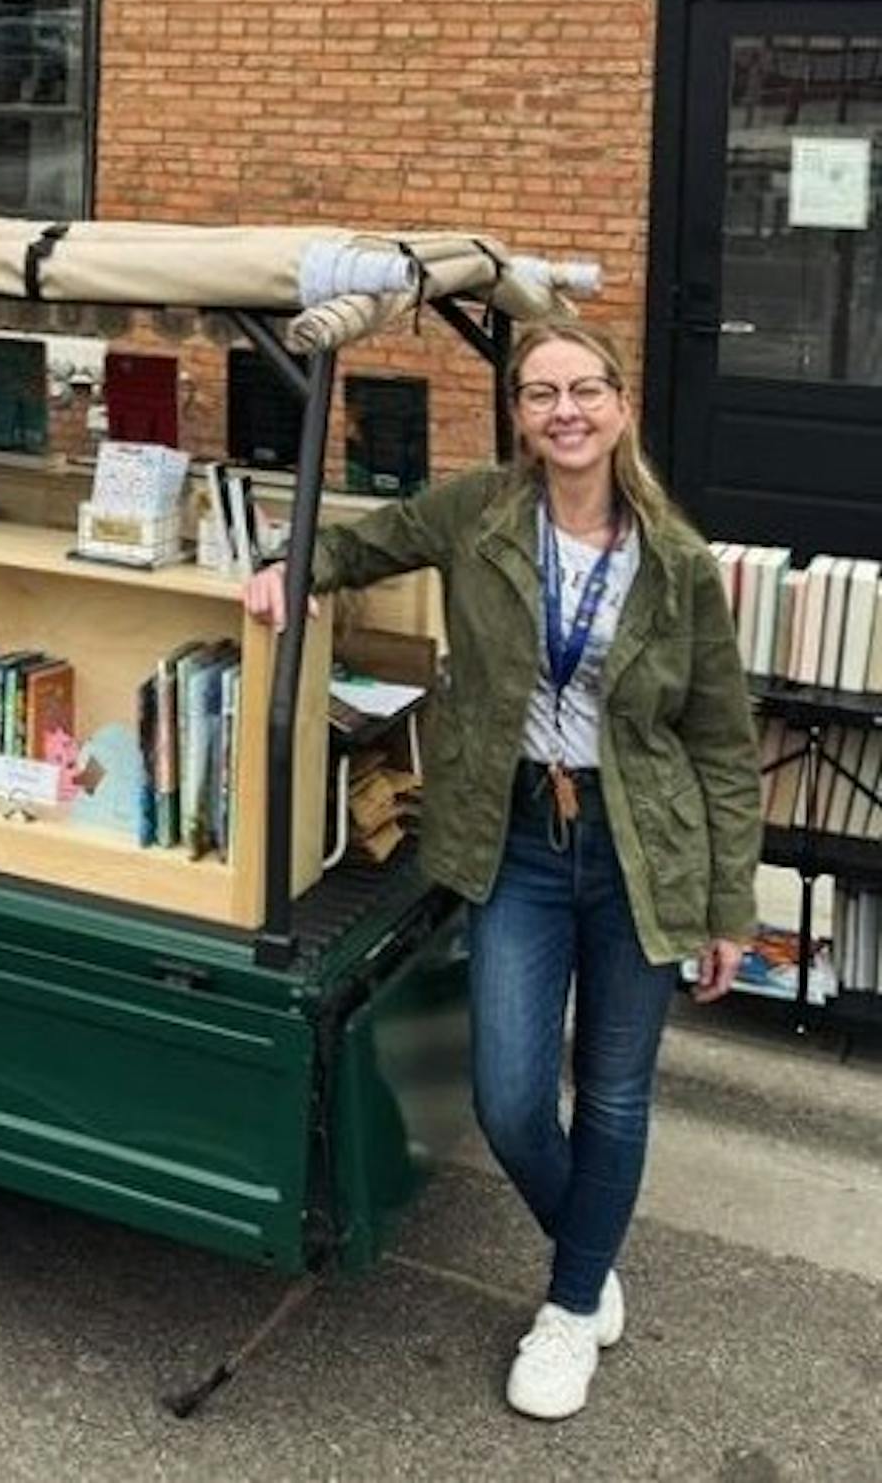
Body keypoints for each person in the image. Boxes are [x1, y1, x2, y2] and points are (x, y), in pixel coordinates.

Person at [244, 319, 761, 1420]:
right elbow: (362, 543)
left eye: (584, 389)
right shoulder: (480, 512)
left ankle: (571, 1307)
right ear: (521, 415)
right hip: (517, 837)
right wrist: (283, 576)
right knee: (512, 1096)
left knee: (614, 1094)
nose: (564, 410)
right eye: (540, 393)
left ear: (621, 405)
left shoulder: (677, 564)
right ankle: (591, 1251)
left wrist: (730, 906)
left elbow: (720, 741)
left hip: (643, 851)